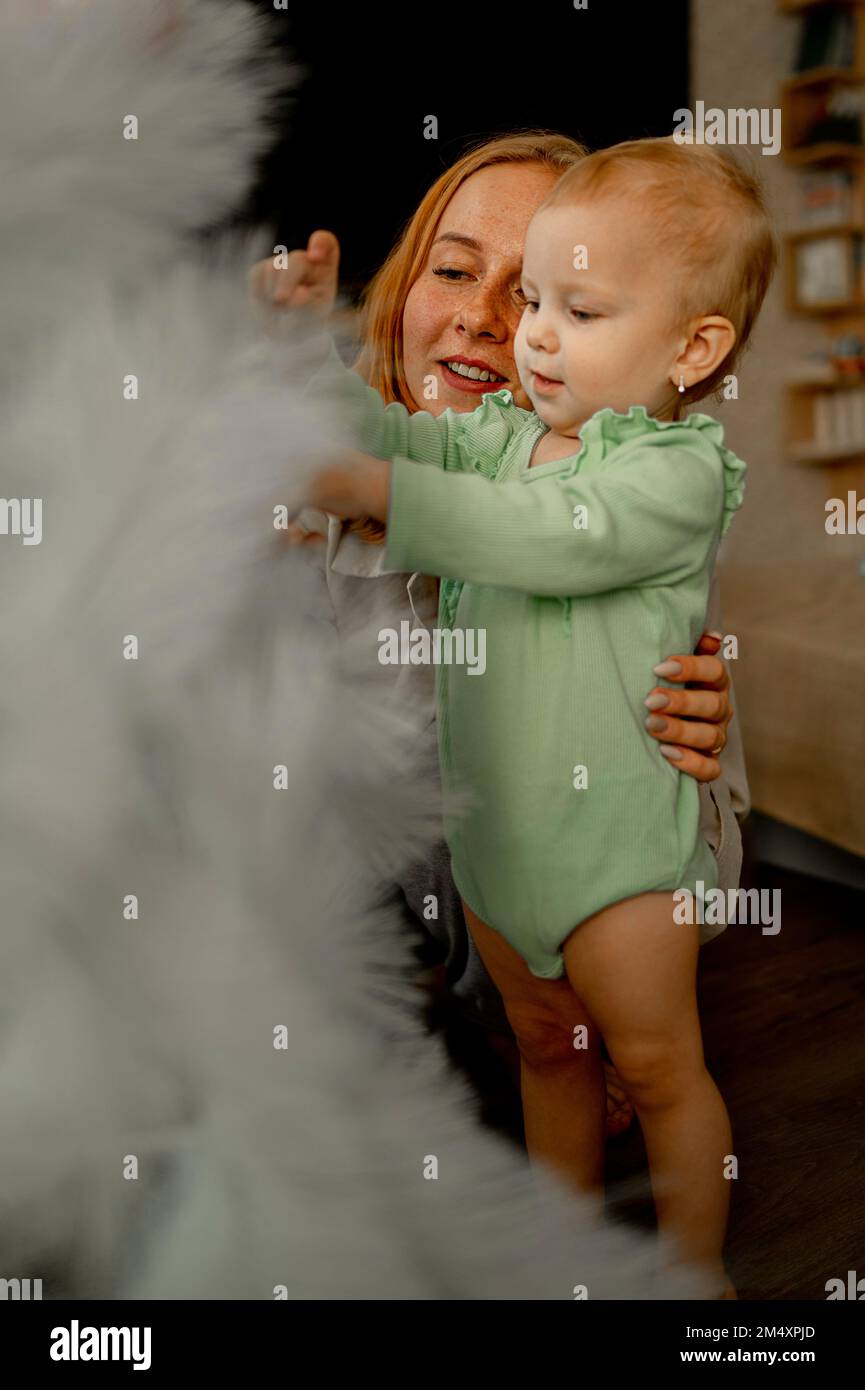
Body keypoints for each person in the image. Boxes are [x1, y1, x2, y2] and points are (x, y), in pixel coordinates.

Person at [298, 137, 777, 1297]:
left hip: (614, 859)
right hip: (496, 863)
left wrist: (385, 497)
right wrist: (296, 360)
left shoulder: (674, 474)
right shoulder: (504, 438)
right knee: (549, 1054)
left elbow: (543, 534)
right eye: (506, 293)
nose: (529, 331)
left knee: (660, 1070)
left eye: (568, 303)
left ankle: (692, 1273)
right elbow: (394, 439)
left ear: (692, 347)